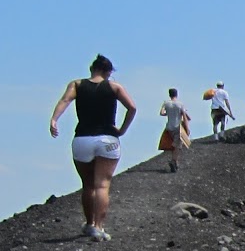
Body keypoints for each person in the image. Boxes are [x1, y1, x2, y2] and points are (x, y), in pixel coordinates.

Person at [49, 54, 137, 241]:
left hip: (83, 139)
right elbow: (132, 107)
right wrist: (122, 130)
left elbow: (65, 101)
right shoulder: (115, 87)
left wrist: (54, 119)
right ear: (108, 72)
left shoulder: (77, 85)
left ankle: (89, 224)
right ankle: (99, 227)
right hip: (108, 139)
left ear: (92, 69)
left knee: (88, 185)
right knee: (102, 185)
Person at [158, 87, 189, 172]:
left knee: (174, 145)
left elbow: (161, 113)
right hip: (178, 127)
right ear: (177, 94)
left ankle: (175, 162)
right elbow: (185, 117)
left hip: (169, 127)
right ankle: (173, 161)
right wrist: (187, 128)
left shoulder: (166, 103)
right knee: (177, 145)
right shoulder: (180, 104)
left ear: (169, 95)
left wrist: (165, 110)